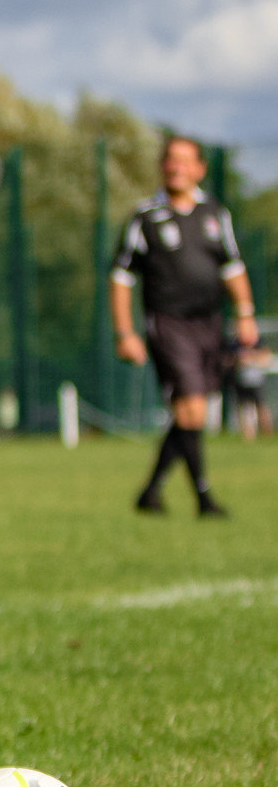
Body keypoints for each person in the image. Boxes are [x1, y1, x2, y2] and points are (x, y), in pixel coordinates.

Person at [111, 135, 258, 517]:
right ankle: (204, 499)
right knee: (191, 406)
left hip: (209, 323)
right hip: (168, 323)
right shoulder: (145, 217)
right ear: (162, 166)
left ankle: (151, 492)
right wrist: (124, 333)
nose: (176, 167)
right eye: (170, 159)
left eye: (184, 160)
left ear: (199, 169)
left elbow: (233, 267)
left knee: (193, 413)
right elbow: (121, 278)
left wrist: (245, 313)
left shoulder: (215, 213)